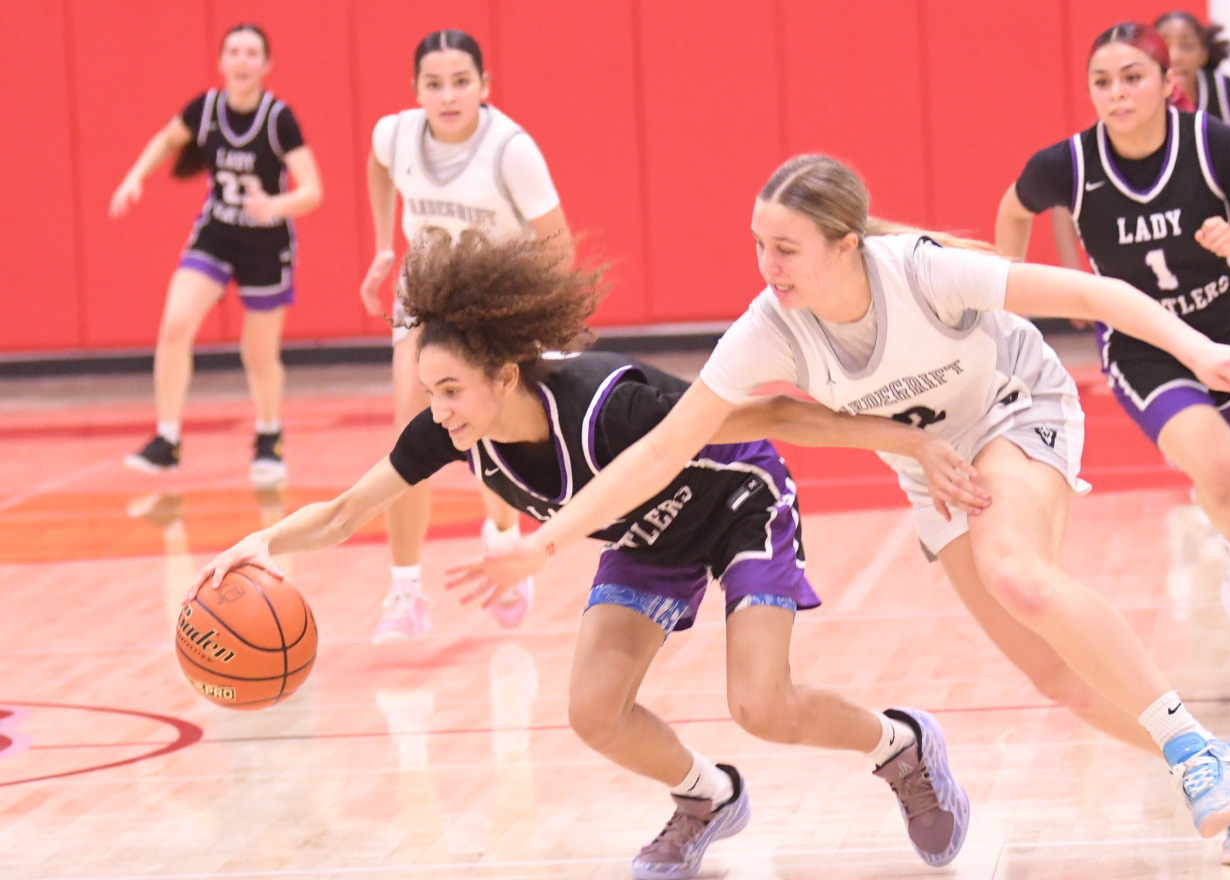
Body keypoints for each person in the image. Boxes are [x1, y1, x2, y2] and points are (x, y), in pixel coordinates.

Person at [461, 147, 1230, 865]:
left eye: (786, 249)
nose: (767, 266)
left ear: (844, 245)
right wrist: (546, 542)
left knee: (1020, 577)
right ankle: (1226, 768)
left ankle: (1190, 753)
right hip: (927, 461)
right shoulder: (770, 326)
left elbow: (1096, 294)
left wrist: (1197, 348)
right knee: (1057, 679)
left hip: (1012, 406)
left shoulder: (921, 271)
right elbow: (662, 448)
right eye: (758, 246)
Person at [192, 231, 971, 877]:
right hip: (642, 536)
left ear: (502, 373)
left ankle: (901, 747)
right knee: (593, 713)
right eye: (429, 391)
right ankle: (707, 797)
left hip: (735, 502)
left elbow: (771, 414)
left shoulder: (611, 402)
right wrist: (263, 540)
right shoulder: (447, 434)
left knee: (760, 704)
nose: (439, 411)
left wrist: (905, 439)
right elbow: (344, 512)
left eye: (452, 389)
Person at [997, 21, 1230, 694]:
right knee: (1218, 469)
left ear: (1167, 84)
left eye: (1132, 77)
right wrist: (1015, 294)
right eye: (1101, 82)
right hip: (1143, 344)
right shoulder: (1066, 163)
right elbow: (1012, 210)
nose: (1116, 93)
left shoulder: (1209, 143)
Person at [358, 29, 573, 640]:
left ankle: (502, 537)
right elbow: (376, 165)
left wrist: (535, 322)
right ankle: (404, 590)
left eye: (460, 82)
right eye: (434, 83)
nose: (448, 94)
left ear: (484, 86)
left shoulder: (510, 150)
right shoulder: (395, 134)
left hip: (490, 306)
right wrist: (382, 245)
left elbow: (557, 242)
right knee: (411, 424)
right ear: (416, 91)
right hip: (425, 299)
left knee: (486, 435)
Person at [111, 23, 322, 486]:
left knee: (258, 353)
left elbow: (313, 190)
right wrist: (135, 177)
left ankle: (269, 434)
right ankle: (167, 439)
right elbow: (166, 140)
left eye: (252, 53)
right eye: (234, 52)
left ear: (265, 65)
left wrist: (274, 206)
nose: (243, 60)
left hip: (267, 242)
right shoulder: (204, 110)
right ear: (222, 62)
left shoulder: (278, 119)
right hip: (217, 233)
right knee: (175, 324)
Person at [1049, 12, 1230, 322]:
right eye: (1166, 45)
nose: (1177, 55)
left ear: (1204, 53)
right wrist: (1074, 278)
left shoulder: (1226, 101)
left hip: (1209, 266)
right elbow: (1061, 193)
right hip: (1138, 272)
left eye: (1188, 45)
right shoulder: (1118, 118)